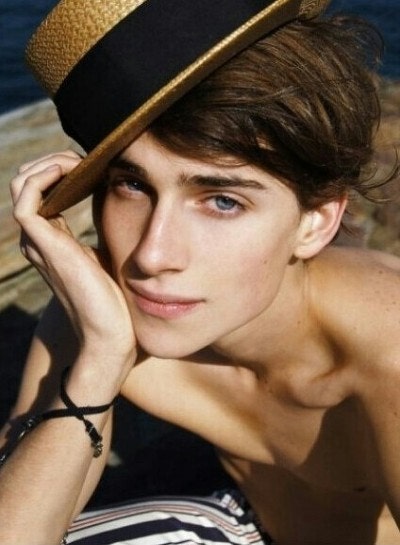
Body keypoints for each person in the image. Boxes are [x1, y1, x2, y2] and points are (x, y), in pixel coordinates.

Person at [0, 0, 399, 543]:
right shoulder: (99, 309)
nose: (152, 255)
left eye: (223, 201)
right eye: (132, 185)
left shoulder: (389, 357)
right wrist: (100, 359)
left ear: (316, 221)